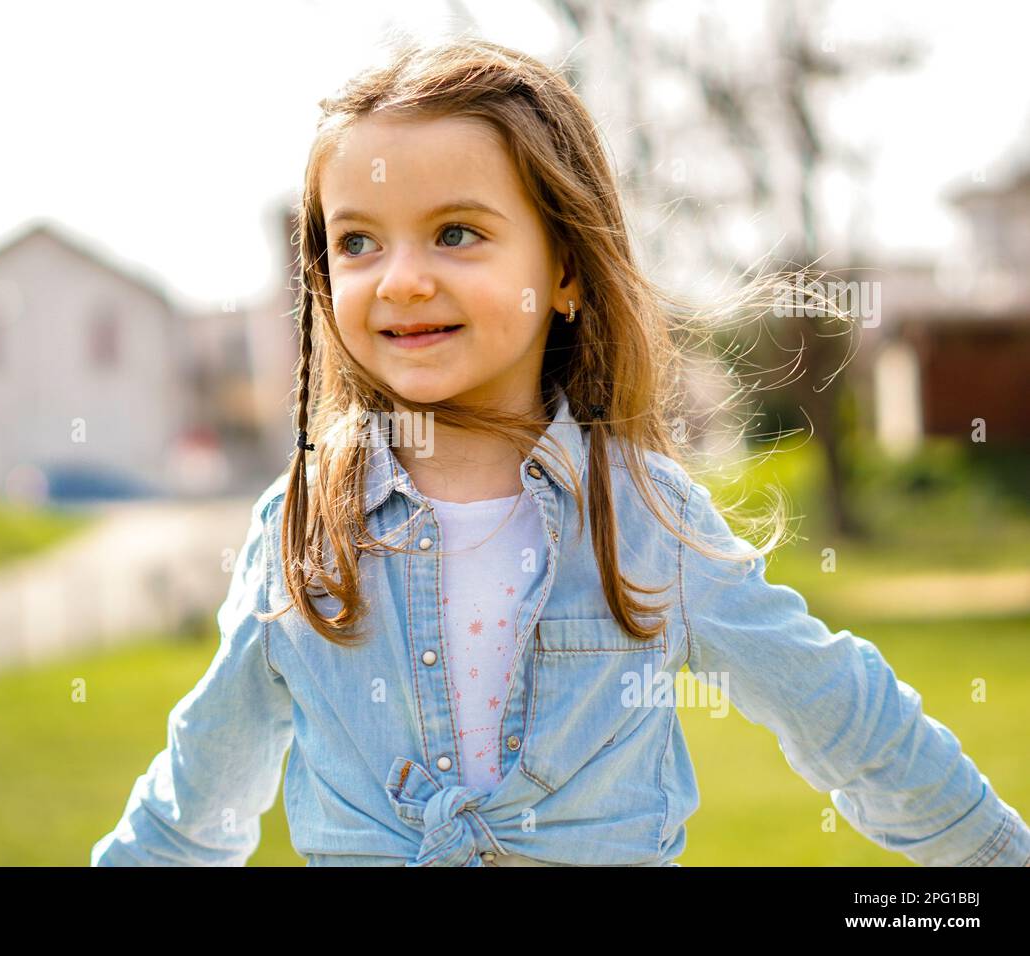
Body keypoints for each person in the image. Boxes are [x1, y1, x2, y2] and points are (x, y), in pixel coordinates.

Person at [91, 37, 1030, 867]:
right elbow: (194, 804)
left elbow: (849, 720)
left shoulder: (645, 516)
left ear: (567, 270)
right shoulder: (300, 529)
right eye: (358, 243)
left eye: (457, 233)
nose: (402, 278)